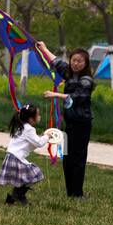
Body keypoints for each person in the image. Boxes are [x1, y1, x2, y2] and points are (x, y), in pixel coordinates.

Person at [40, 45, 95, 198]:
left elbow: (77, 97)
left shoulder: (86, 81)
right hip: (69, 124)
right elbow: (56, 62)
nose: (75, 63)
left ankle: (77, 194)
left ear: (85, 64)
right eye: (73, 60)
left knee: (77, 159)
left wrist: (55, 95)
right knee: (67, 158)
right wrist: (43, 48)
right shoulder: (69, 75)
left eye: (80, 61)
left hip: (81, 125)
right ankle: (70, 193)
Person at [0, 103, 47, 206]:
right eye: (38, 115)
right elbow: (39, 143)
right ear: (30, 119)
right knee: (35, 175)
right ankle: (18, 195)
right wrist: (47, 136)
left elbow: (33, 143)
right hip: (16, 158)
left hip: (12, 157)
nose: (39, 116)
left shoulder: (22, 127)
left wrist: (41, 136)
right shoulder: (29, 129)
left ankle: (12, 197)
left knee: (25, 179)